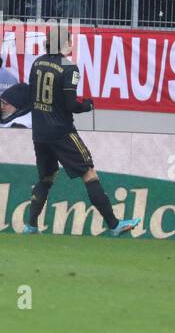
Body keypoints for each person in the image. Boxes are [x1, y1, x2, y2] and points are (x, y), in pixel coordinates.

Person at [20, 29, 141, 237]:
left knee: (46, 177)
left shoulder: (37, 63)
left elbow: (32, 95)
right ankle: (114, 225)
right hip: (61, 132)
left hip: (40, 131)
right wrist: (87, 105)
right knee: (88, 172)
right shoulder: (69, 68)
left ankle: (30, 226)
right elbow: (70, 104)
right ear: (63, 44)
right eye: (70, 41)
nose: (72, 45)